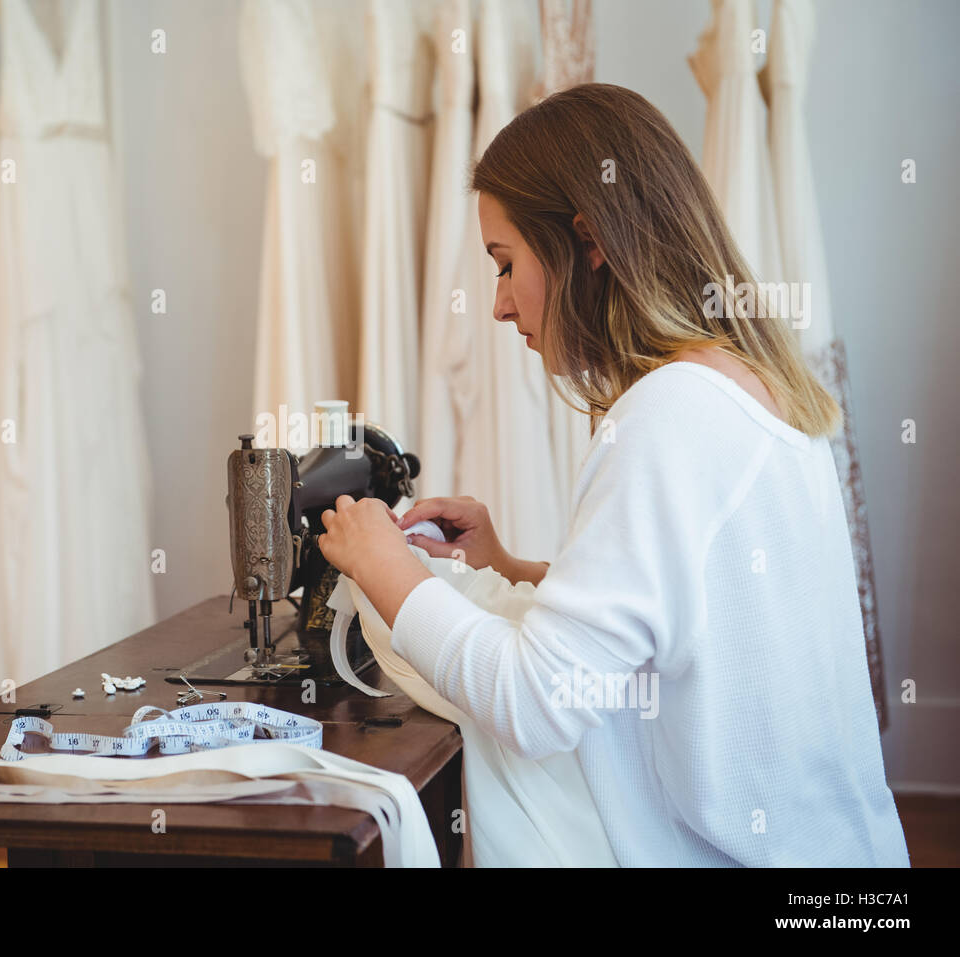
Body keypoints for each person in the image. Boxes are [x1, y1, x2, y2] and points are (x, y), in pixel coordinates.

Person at [318, 83, 909, 867]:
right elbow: (699, 614)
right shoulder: (745, 384)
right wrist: (510, 567)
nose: (498, 305)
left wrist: (384, 567)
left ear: (587, 240)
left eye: (506, 264)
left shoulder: (668, 417)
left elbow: (536, 703)